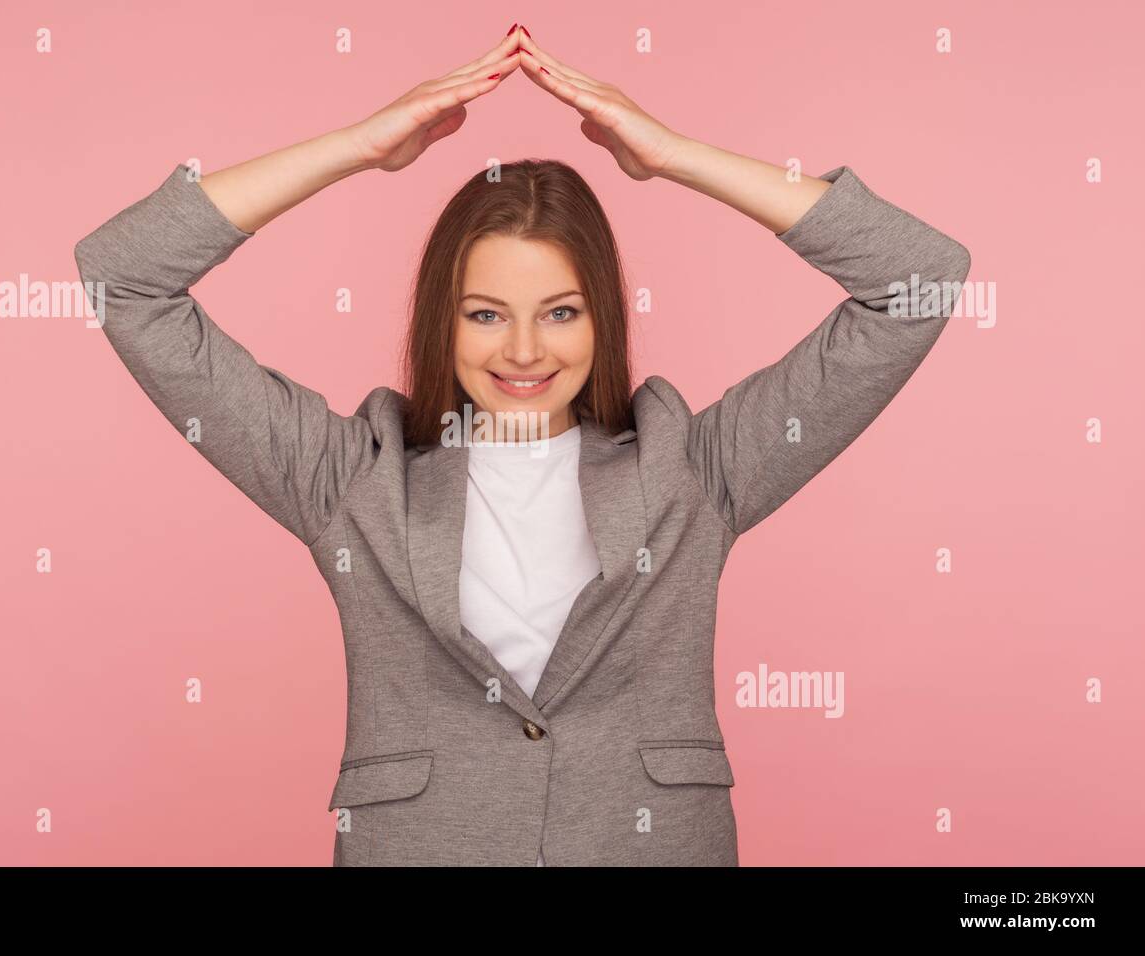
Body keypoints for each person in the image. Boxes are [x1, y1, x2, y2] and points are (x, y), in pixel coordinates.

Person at [74, 25, 970, 866]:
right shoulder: (350, 482)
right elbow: (126, 277)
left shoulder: (696, 471)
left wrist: (672, 158)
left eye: (562, 313)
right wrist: (359, 146)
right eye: (486, 314)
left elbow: (916, 282)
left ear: (602, 318)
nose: (526, 352)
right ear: (443, 319)